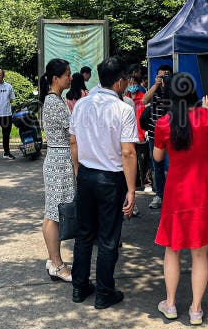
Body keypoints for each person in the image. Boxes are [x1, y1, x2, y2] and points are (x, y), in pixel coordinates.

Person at [153, 73, 208, 325]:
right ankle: (196, 310)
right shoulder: (207, 117)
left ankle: (171, 304)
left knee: (172, 249)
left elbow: (157, 157)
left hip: (176, 190)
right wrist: (206, 111)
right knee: (199, 253)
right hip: (203, 190)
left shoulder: (164, 122)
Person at [69, 57, 138, 309]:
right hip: (111, 178)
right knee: (108, 238)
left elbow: (73, 141)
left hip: (86, 174)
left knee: (84, 234)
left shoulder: (82, 104)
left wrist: (78, 171)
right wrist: (132, 189)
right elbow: (128, 152)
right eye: (127, 81)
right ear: (120, 81)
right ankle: (104, 292)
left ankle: (79, 287)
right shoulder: (123, 109)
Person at [40, 58, 74, 282]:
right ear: (56, 78)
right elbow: (73, 135)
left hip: (56, 157)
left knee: (52, 211)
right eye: (67, 74)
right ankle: (57, 263)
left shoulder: (54, 100)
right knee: (55, 214)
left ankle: (53, 258)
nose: (70, 78)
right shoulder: (54, 102)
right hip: (60, 158)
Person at [142, 64, 172, 209]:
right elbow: (144, 101)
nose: (162, 79)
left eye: (165, 76)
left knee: (173, 165)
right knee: (157, 167)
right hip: (154, 134)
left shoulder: (173, 90)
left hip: (172, 135)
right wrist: (155, 85)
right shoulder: (154, 91)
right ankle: (159, 195)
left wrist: (168, 85)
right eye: (160, 76)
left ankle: (172, 195)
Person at [125, 67, 150, 192]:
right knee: (131, 157)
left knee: (143, 159)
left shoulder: (143, 98)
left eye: (134, 83)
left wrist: (146, 130)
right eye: (130, 83)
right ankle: (134, 182)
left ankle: (143, 180)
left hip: (141, 133)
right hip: (129, 133)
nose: (132, 86)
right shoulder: (124, 98)